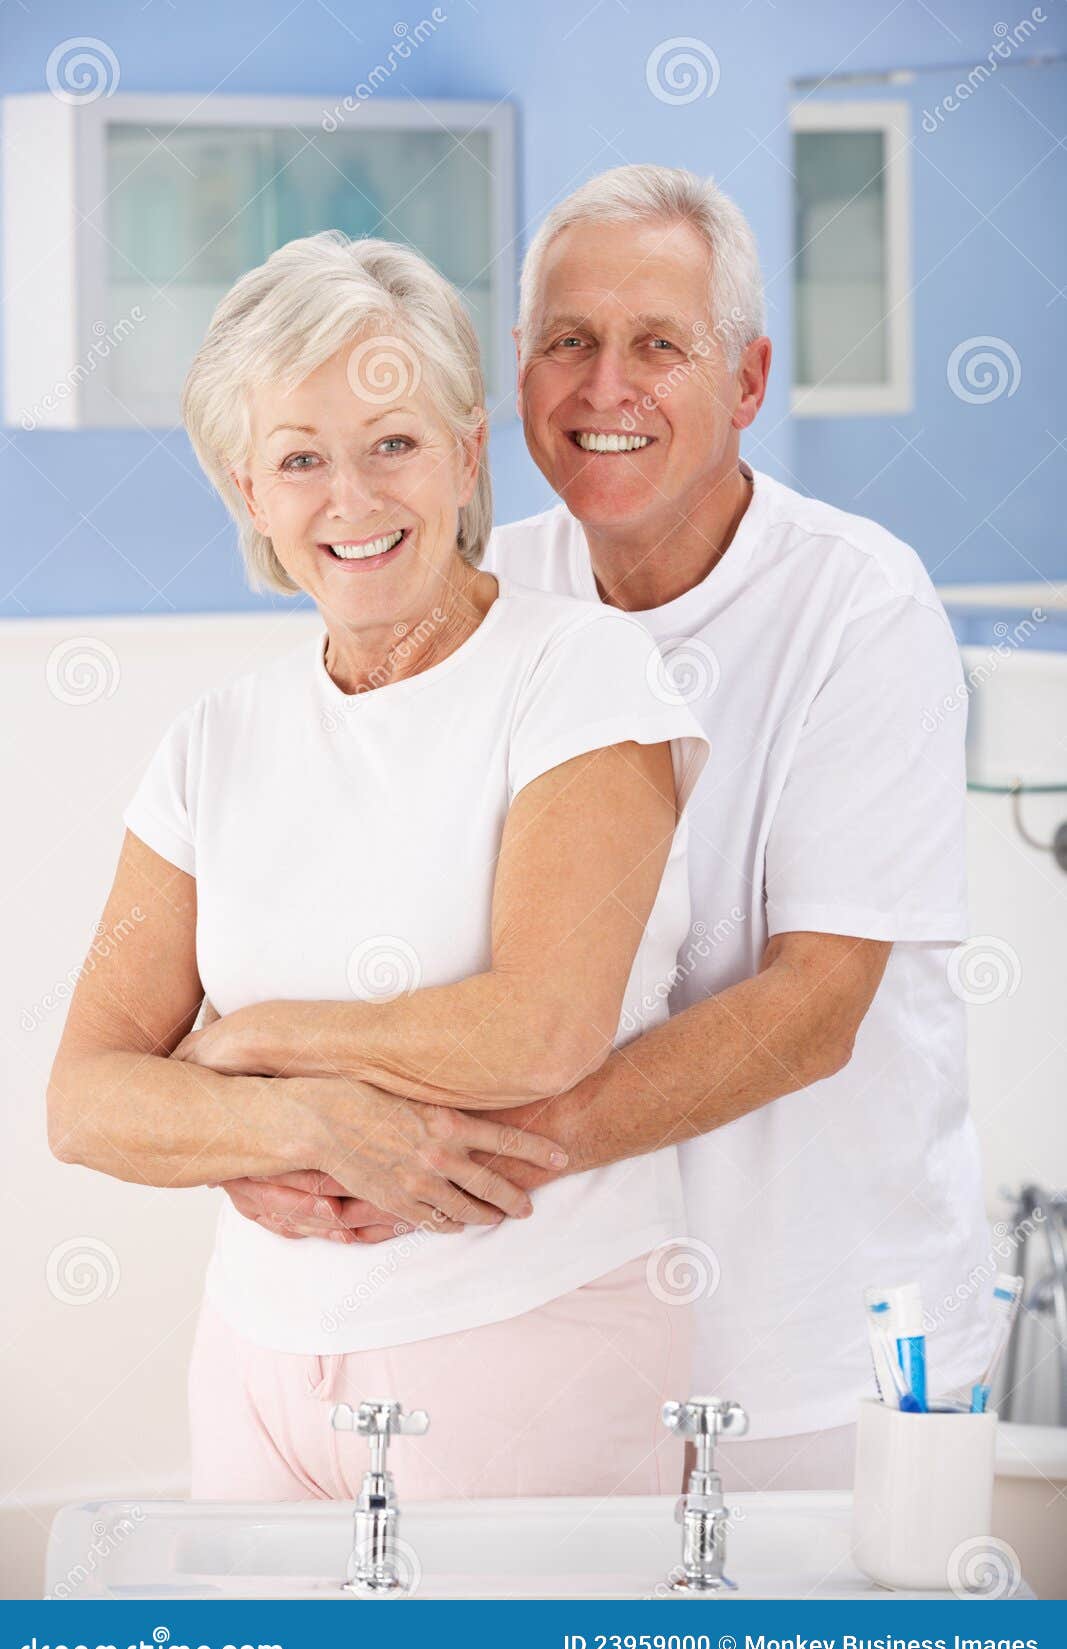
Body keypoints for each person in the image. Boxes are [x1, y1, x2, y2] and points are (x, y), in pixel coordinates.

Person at [240, 167, 994, 1492]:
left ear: (748, 383)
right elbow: (375, 920)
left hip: (822, 1349)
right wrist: (285, 1131)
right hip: (553, 1332)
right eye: (565, 343)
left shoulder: (856, 610)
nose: (602, 390)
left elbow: (814, 1004)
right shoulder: (475, 594)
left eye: (658, 345)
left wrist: (453, 1156)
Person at [46, 230, 709, 1502]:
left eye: (392, 443)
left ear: (465, 453)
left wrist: (246, 1043)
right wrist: (308, 1119)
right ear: (249, 489)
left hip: (530, 1343)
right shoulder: (215, 740)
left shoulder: (579, 676)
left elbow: (540, 1029)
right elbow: (86, 1099)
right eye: (300, 458)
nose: (349, 498)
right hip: (256, 1362)